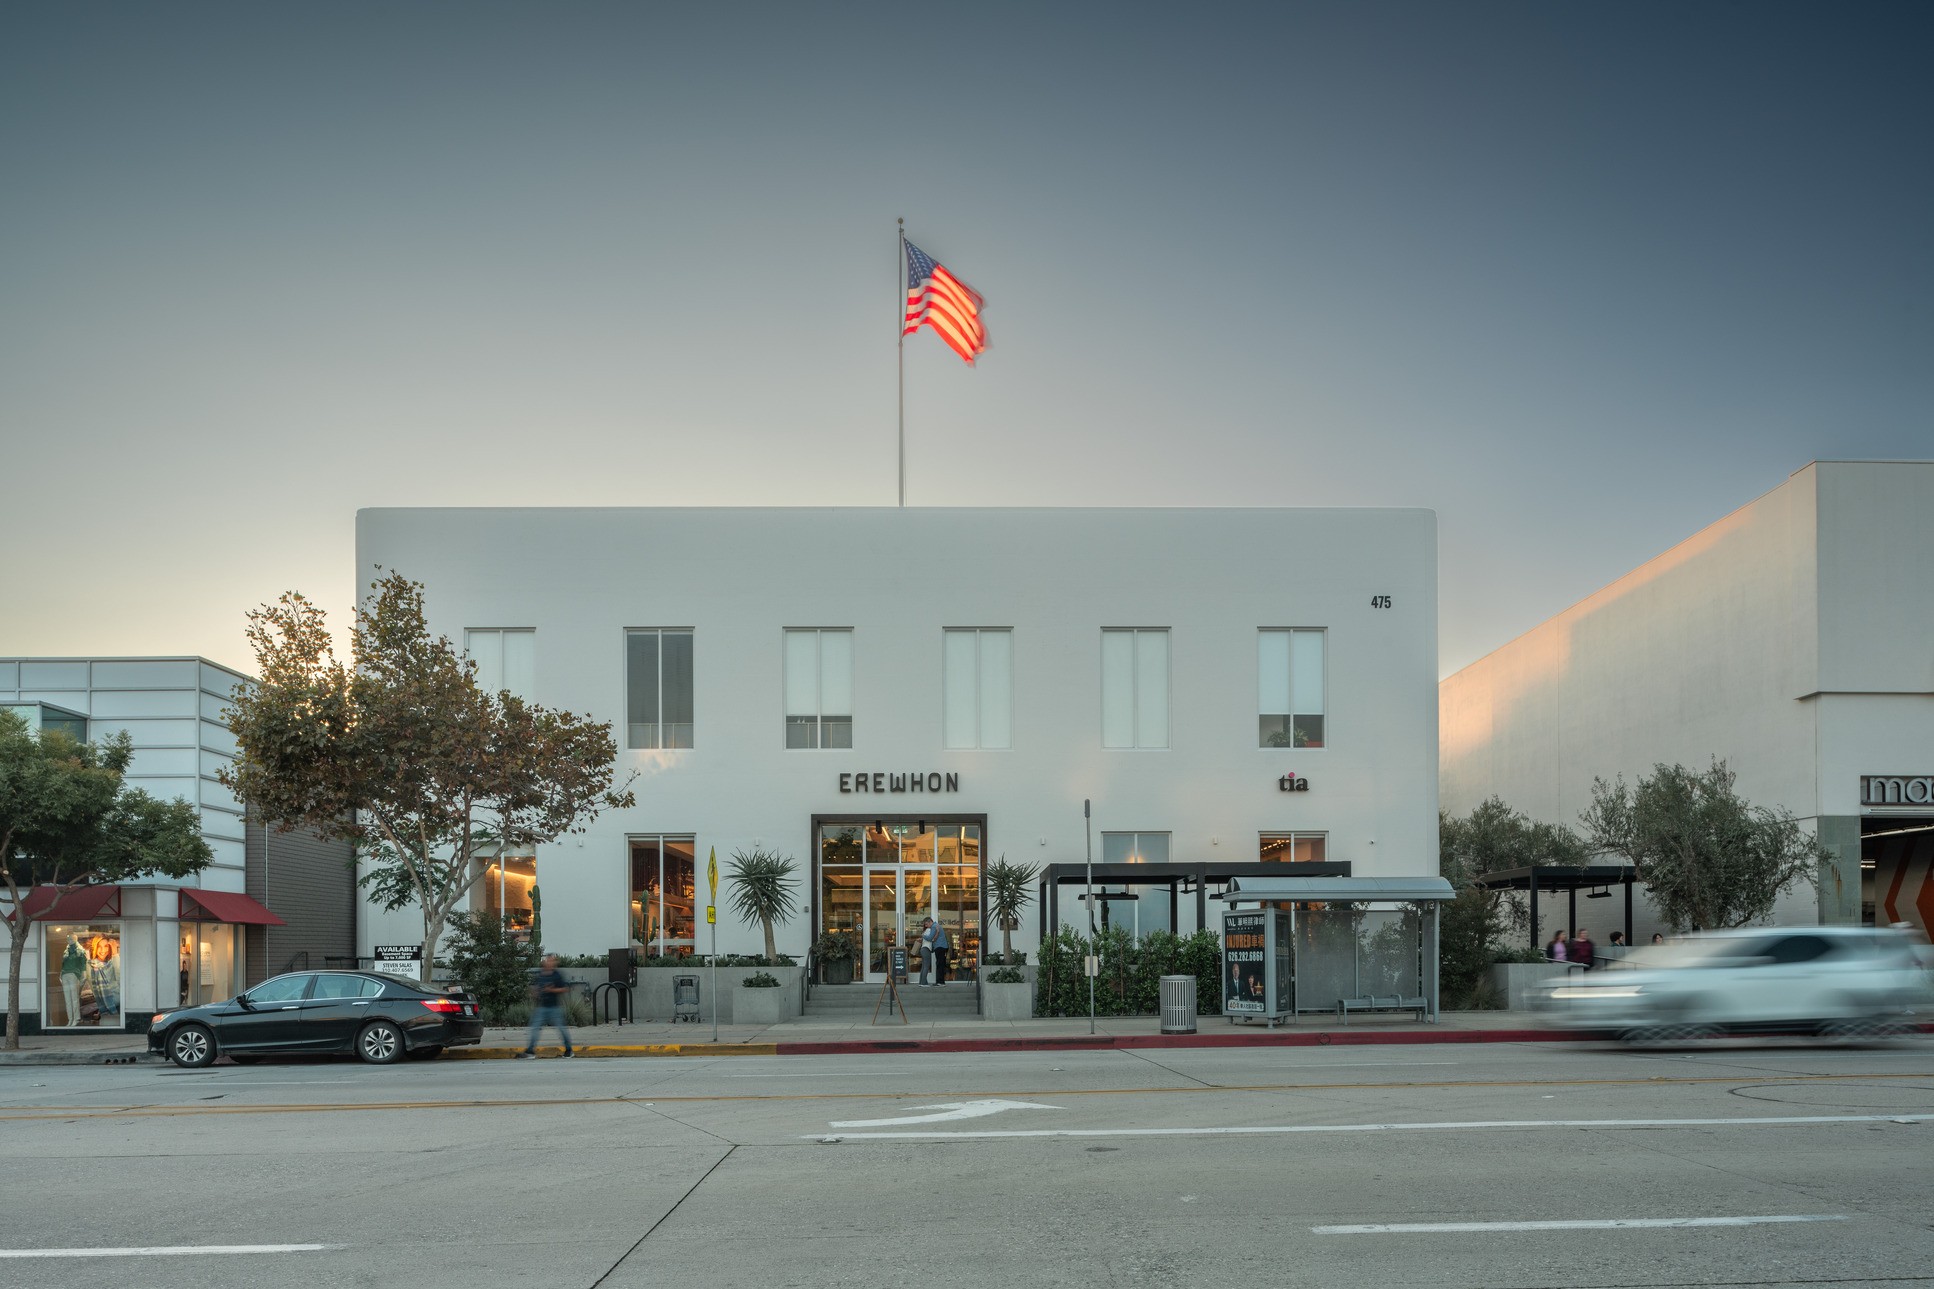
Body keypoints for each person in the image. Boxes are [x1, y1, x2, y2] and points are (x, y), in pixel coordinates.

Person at [519, 953, 573, 1059]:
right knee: (534, 1028)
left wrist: (551, 990)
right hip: (542, 1008)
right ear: (544, 962)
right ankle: (530, 1051)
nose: (550, 963)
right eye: (548, 960)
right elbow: (536, 987)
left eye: (552, 961)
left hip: (554, 1008)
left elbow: (564, 988)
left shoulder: (557, 975)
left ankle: (569, 1050)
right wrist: (535, 993)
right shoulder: (540, 974)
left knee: (561, 1029)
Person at [931, 917, 952, 984]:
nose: (926, 926)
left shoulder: (934, 927)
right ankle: (941, 981)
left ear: (929, 922)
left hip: (939, 947)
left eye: (926, 924)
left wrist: (924, 936)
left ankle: (940, 982)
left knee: (939, 965)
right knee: (941, 964)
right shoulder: (938, 926)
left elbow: (932, 938)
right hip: (943, 947)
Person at [917, 918, 936, 986]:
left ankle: (922, 982)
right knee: (926, 967)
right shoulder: (929, 930)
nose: (926, 925)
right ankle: (923, 983)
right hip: (926, 949)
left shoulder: (925, 931)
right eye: (925, 924)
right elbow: (931, 938)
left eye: (926, 924)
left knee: (924, 966)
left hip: (923, 949)